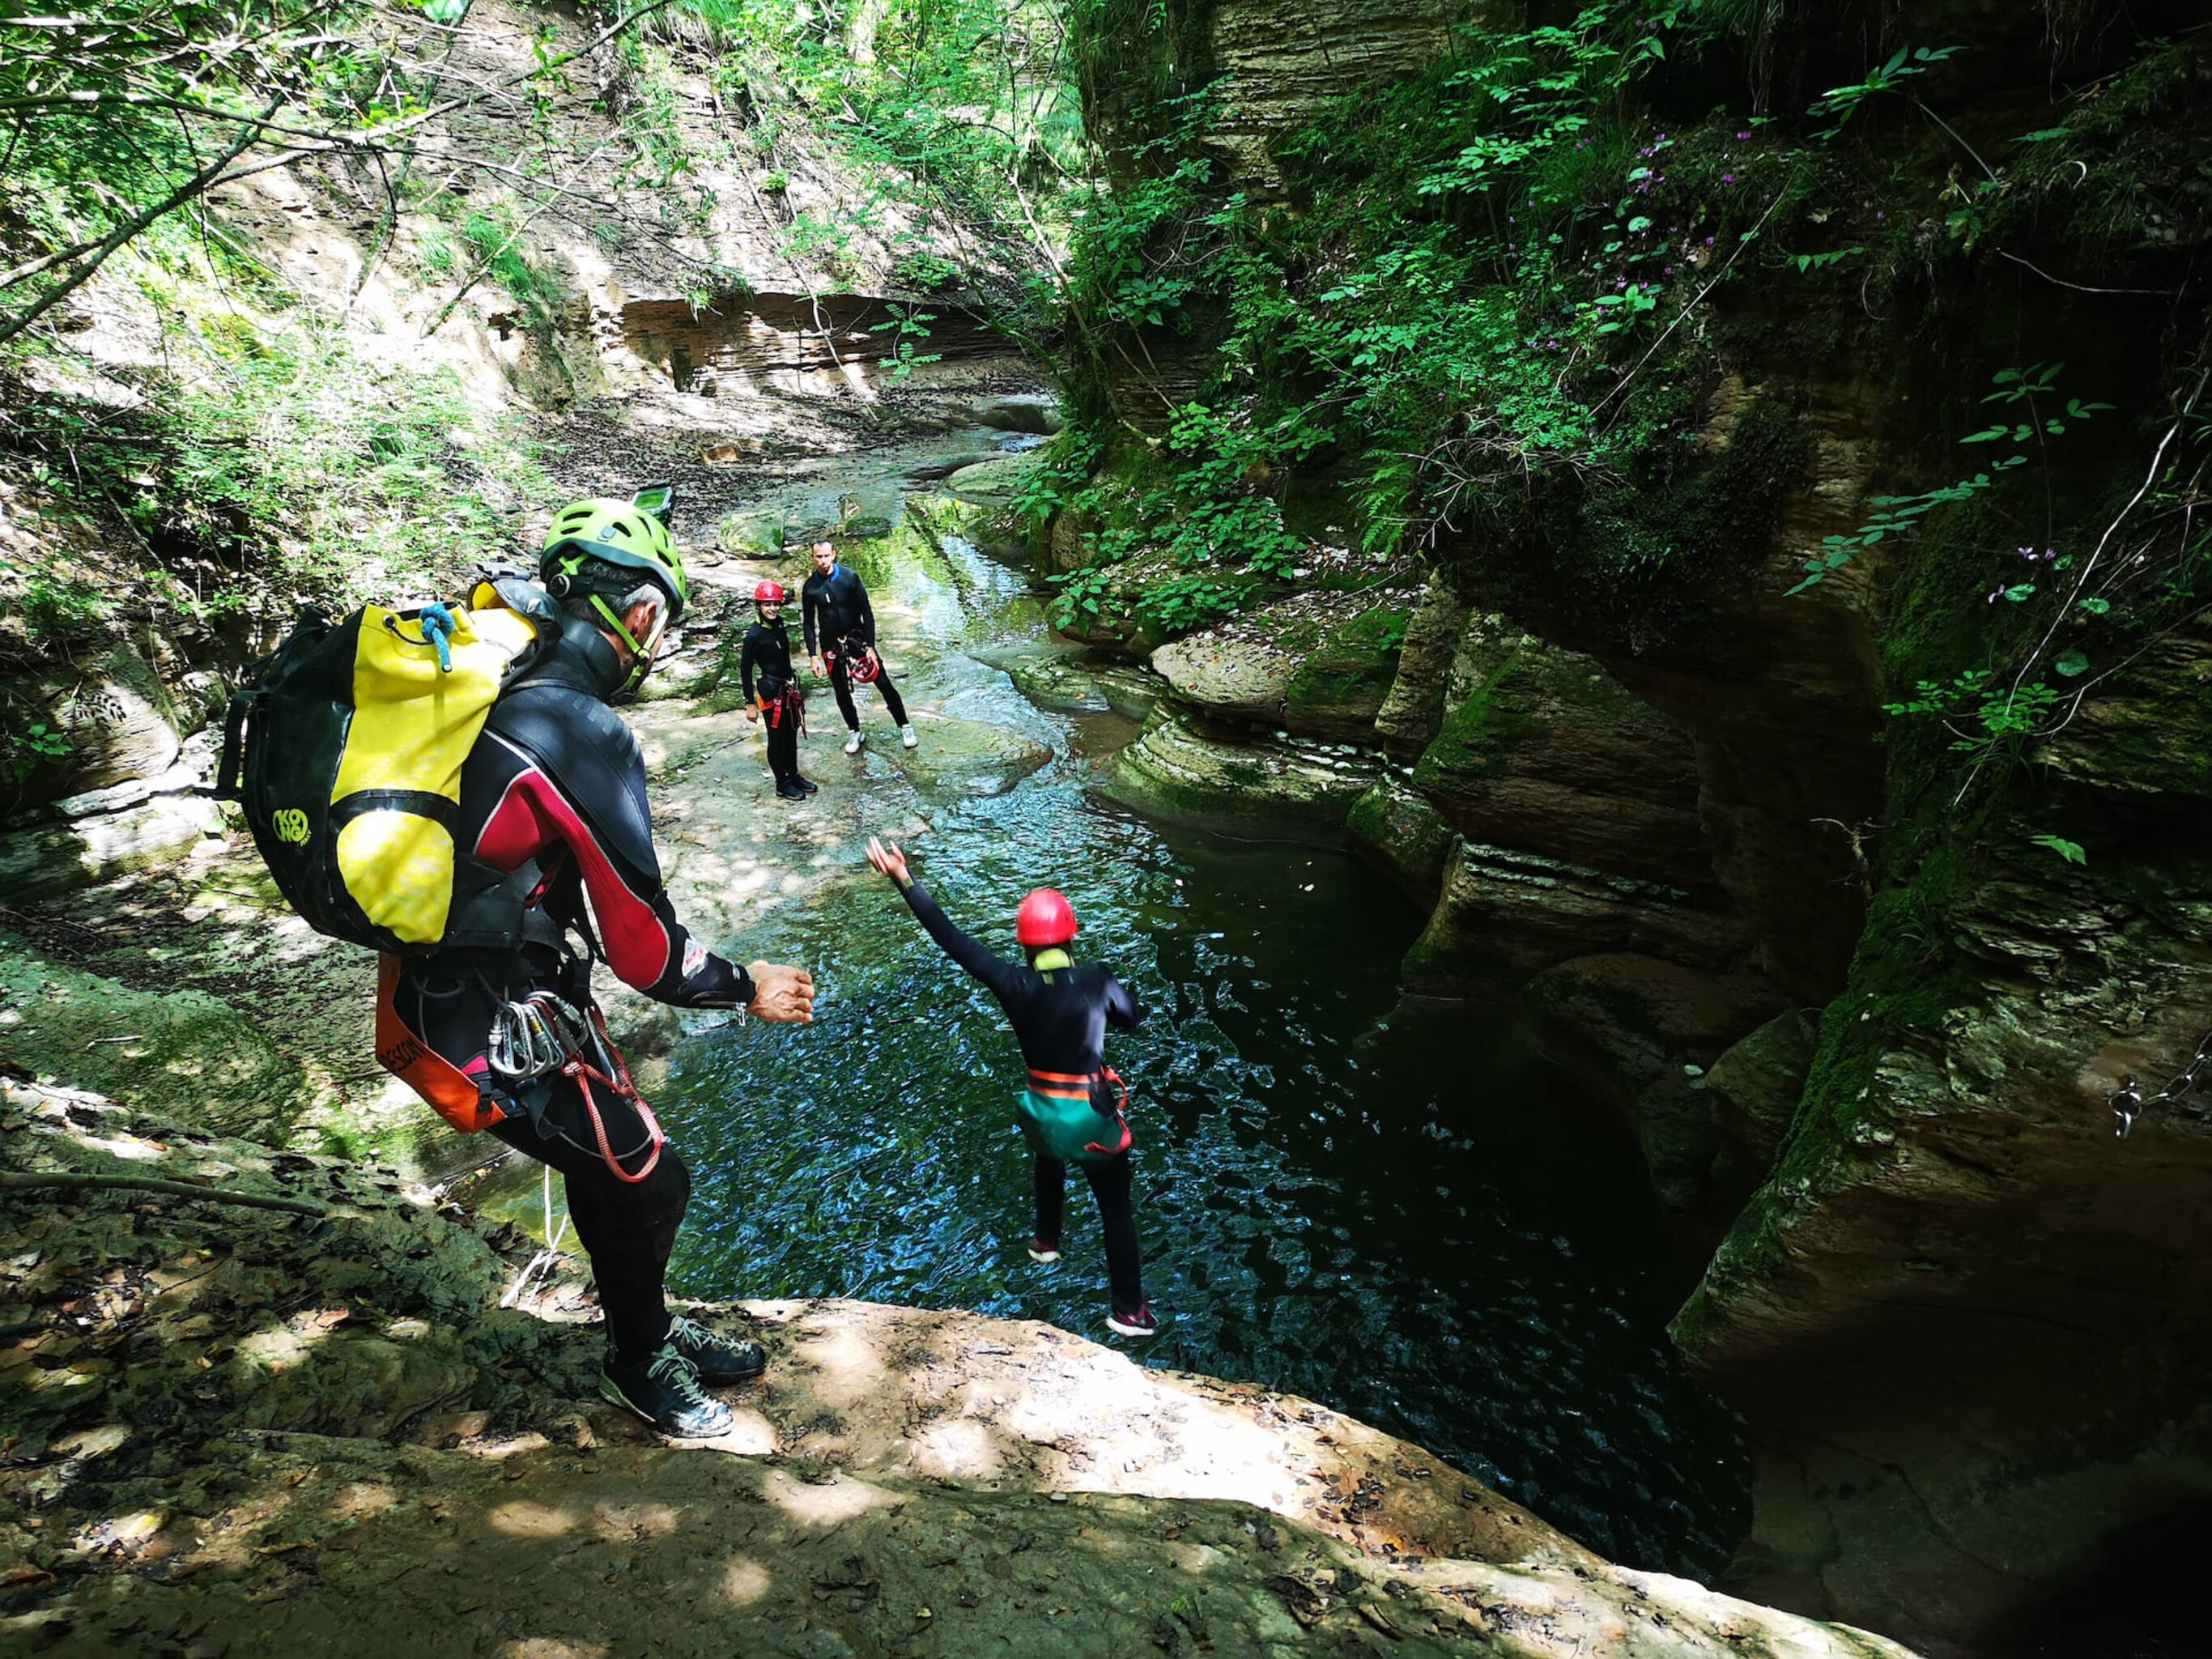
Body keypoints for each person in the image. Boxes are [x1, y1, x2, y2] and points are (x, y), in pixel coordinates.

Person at [376, 495, 818, 1440]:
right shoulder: (579, 729)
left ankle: (646, 1325)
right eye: (665, 621)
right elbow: (647, 953)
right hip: (476, 1021)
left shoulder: (494, 694)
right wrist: (749, 986)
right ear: (645, 616)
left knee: (610, 1159)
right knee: (651, 1178)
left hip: (465, 995)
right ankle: (636, 1359)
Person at [864, 836, 1157, 1337]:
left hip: (1042, 1111)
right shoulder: (1096, 978)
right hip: (1090, 1116)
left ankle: (1046, 1240)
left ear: (1023, 943)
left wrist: (904, 879)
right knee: (1116, 1211)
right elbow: (1133, 1018)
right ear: (1071, 938)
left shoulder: (1010, 982)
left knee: (1049, 1151)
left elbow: (951, 938)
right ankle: (1128, 1311)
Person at [802, 541, 917, 755]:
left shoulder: (849, 578)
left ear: (834, 554)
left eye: (827, 556)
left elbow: (867, 612)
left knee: (882, 681)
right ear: (813, 558)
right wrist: (812, 656)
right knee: (841, 689)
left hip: (857, 638)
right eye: (819, 557)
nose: (823, 561)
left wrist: (871, 646)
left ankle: (905, 726)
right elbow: (808, 623)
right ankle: (854, 730)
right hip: (831, 642)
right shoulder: (811, 587)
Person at [742, 581, 815, 802]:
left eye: (775, 604)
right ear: (759, 606)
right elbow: (745, 669)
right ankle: (781, 783)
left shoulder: (780, 625)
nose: (772, 609)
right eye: (767, 605)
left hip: (787, 686)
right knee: (777, 738)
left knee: (791, 734)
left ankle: (792, 775)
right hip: (770, 690)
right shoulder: (754, 635)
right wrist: (749, 703)